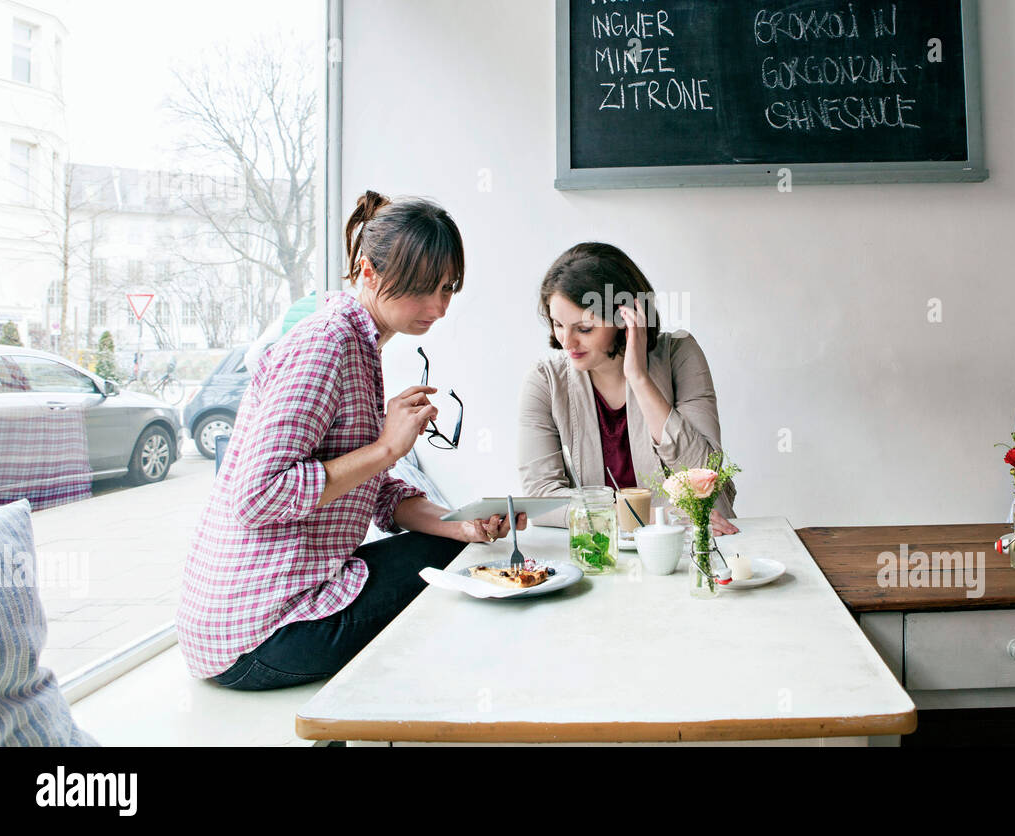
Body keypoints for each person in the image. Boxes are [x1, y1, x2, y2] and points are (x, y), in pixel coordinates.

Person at [177, 191, 523, 689]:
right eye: (422, 289)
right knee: (453, 575)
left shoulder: (358, 345)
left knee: (455, 551)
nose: (438, 308)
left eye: (448, 289)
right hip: (256, 635)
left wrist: (461, 524)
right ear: (368, 272)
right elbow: (257, 495)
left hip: (251, 625)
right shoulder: (327, 344)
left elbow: (374, 494)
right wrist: (386, 447)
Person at [518, 242, 739, 534]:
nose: (566, 343)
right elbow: (541, 498)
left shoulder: (680, 355)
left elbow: (704, 476)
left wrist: (639, 378)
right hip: (598, 554)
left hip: (689, 548)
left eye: (584, 329)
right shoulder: (545, 380)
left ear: (626, 317)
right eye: (558, 325)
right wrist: (651, 519)